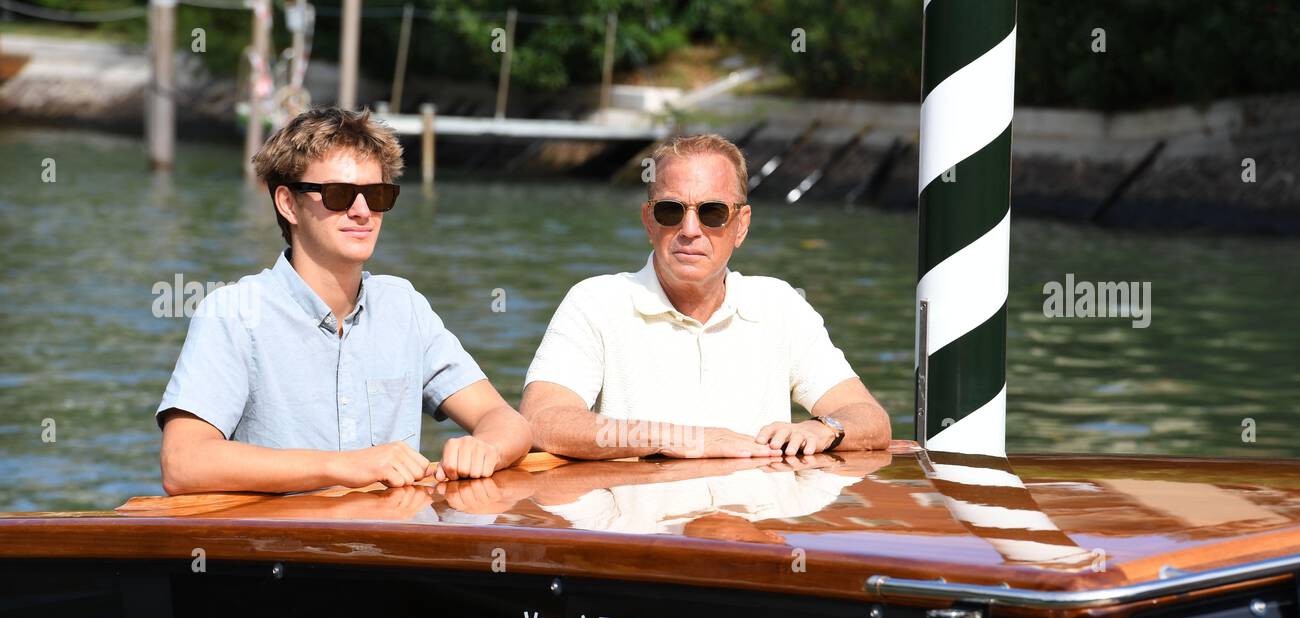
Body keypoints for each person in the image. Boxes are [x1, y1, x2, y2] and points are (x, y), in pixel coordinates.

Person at [157, 107, 530, 495]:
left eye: (377, 195)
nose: (362, 211)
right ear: (287, 203)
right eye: (339, 194)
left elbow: (504, 419)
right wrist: (343, 467)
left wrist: (484, 448)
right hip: (281, 552)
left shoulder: (405, 307)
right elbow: (183, 463)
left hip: (394, 550)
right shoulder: (234, 312)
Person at [520, 133, 891, 460]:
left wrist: (823, 429)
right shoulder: (596, 302)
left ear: (741, 225)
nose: (690, 230)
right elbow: (541, 422)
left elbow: (869, 417)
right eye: (671, 211)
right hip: (642, 534)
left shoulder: (780, 304)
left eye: (712, 212)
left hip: (751, 533)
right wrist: (681, 440)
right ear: (649, 222)